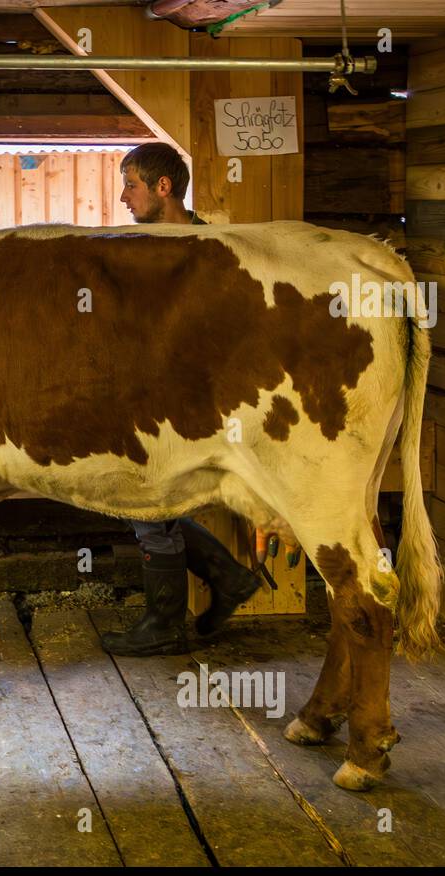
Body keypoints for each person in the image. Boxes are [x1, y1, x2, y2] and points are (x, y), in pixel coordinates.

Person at [101, 142, 261, 657]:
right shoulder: (138, 246)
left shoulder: (214, 250)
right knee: (151, 502)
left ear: (162, 187)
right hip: (149, 396)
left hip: (193, 404)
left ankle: (165, 622)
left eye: (131, 185)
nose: (123, 197)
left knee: (147, 500)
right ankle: (229, 579)